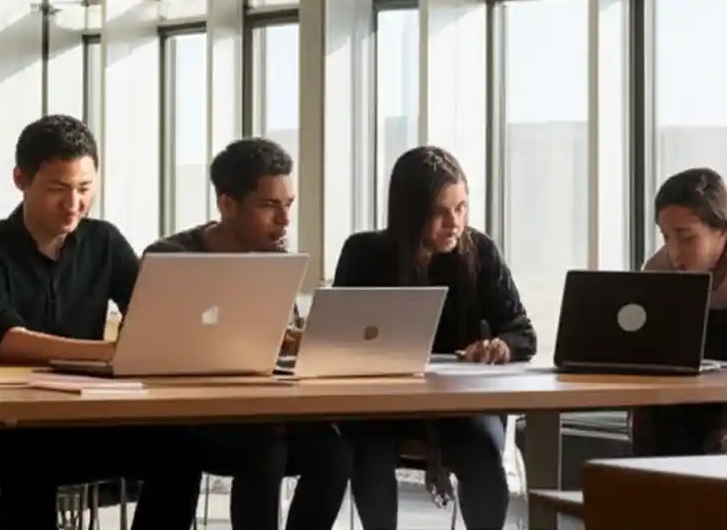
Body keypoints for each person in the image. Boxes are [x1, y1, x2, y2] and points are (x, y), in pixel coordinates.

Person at [0, 114, 197, 529]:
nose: (73, 204)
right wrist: (109, 352)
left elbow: (152, 312)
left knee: (181, 447)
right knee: (22, 459)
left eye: (85, 188)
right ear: (20, 179)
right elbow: (3, 341)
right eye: (57, 189)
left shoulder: (105, 241)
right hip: (13, 419)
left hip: (91, 413)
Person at [145, 138, 351, 530]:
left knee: (335, 450)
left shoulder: (277, 261)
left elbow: (274, 346)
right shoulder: (172, 258)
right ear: (227, 205)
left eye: (288, 205)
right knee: (264, 449)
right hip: (194, 415)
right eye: (268, 206)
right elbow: (162, 350)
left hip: (267, 406)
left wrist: (299, 342)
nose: (284, 220)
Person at [334, 145, 536, 530]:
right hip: (380, 398)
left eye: (461, 208)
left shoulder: (479, 251)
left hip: (458, 401)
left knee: (482, 450)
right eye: (441, 212)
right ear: (411, 214)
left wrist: (501, 345)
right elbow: (340, 333)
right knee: (368, 450)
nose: (454, 223)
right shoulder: (364, 253)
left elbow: (522, 329)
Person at [631, 167, 727, 456]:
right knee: (654, 414)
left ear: (722, 230)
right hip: (684, 400)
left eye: (686, 238)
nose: (674, 252)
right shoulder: (660, 270)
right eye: (666, 237)